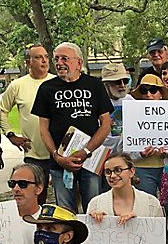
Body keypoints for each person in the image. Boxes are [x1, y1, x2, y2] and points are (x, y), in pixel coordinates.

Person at [33, 42, 113, 212]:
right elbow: (43, 129)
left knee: (94, 210)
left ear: (78, 62)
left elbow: (106, 124)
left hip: (90, 160)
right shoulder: (47, 88)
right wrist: (57, 156)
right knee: (65, 213)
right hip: (60, 163)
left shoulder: (94, 85)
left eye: (65, 58)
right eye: (56, 59)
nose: (59, 63)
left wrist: (86, 151)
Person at [0, 44, 55, 203]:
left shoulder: (57, 83)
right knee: (36, 198)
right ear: (28, 62)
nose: (44, 61)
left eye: (45, 57)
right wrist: (10, 135)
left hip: (59, 152)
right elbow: (2, 110)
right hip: (33, 153)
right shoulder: (17, 85)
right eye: (38, 57)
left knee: (65, 197)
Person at [127, 74, 168, 199]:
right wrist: (140, 154)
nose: (149, 94)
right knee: (147, 208)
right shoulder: (132, 115)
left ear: (161, 93)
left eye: (153, 90)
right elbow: (125, 147)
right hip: (142, 168)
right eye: (144, 91)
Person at [100, 62, 131, 157]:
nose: (122, 85)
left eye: (125, 81)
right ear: (106, 85)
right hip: (103, 156)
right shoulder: (97, 102)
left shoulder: (130, 100)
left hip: (125, 156)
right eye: (117, 82)